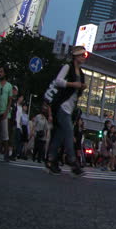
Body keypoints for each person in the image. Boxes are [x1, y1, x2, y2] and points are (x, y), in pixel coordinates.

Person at [46, 46, 87, 176]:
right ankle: (72, 161)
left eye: (84, 55)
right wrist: (72, 84)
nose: (83, 57)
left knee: (59, 135)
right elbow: (58, 81)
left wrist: (82, 87)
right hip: (61, 105)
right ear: (75, 56)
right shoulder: (68, 67)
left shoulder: (81, 73)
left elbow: (78, 91)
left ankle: (51, 160)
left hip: (70, 108)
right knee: (69, 132)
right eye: (81, 55)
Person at [0, 66, 14, 162]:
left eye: (1, 72)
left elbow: (10, 100)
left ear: (5, 73)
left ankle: (6, 154)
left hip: (3, 112)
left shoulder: (9, 86)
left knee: (5, 134)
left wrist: (6, 111)